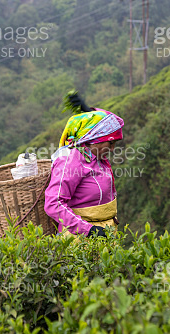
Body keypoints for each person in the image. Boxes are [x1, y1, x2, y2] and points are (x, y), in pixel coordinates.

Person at [44, 98, 124, 238]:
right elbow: (53, 203)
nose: (112, 149)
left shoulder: (98, 157)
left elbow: (115, 121)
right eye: (110, 144)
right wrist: (88, 230)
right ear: (94, 139)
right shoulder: (71, 160)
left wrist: (91, 112)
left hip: (104, 232)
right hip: (79, 239)